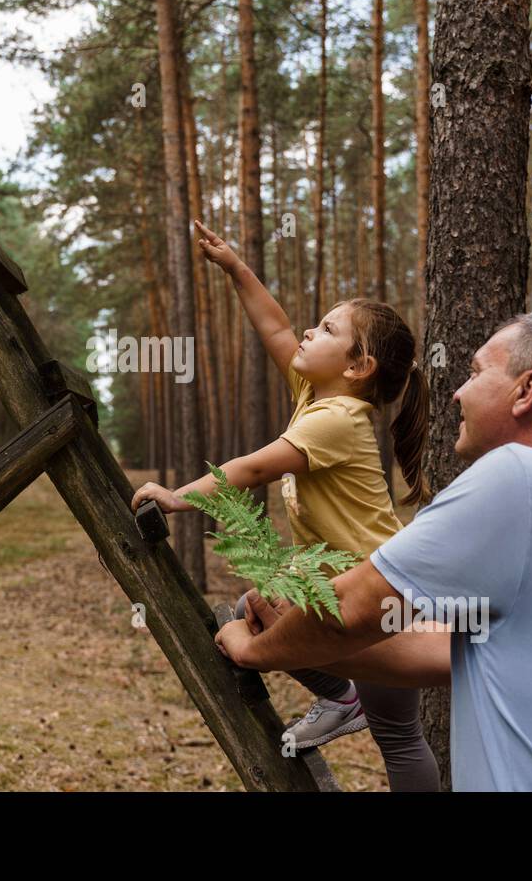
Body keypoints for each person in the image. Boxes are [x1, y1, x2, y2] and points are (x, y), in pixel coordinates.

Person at [215, 309, 532, 791]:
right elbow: (442, 652)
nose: (456, 393)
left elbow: (348, 611)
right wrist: (294, 631)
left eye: (476, 374)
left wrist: (252, 649)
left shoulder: (520, 477)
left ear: (528, 391)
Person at [131, 218, 440, 791]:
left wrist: (177, 498)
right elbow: (275, 329)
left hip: (371, 590)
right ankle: (345, 701)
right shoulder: (318, 396)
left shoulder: (337, 419)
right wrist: (236, 267)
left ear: (357, 366)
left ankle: (344, 701)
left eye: (325, 328)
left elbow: (254, 468)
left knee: (398, 736)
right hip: (349, 581)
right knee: (261, 610)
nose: (306, 330)